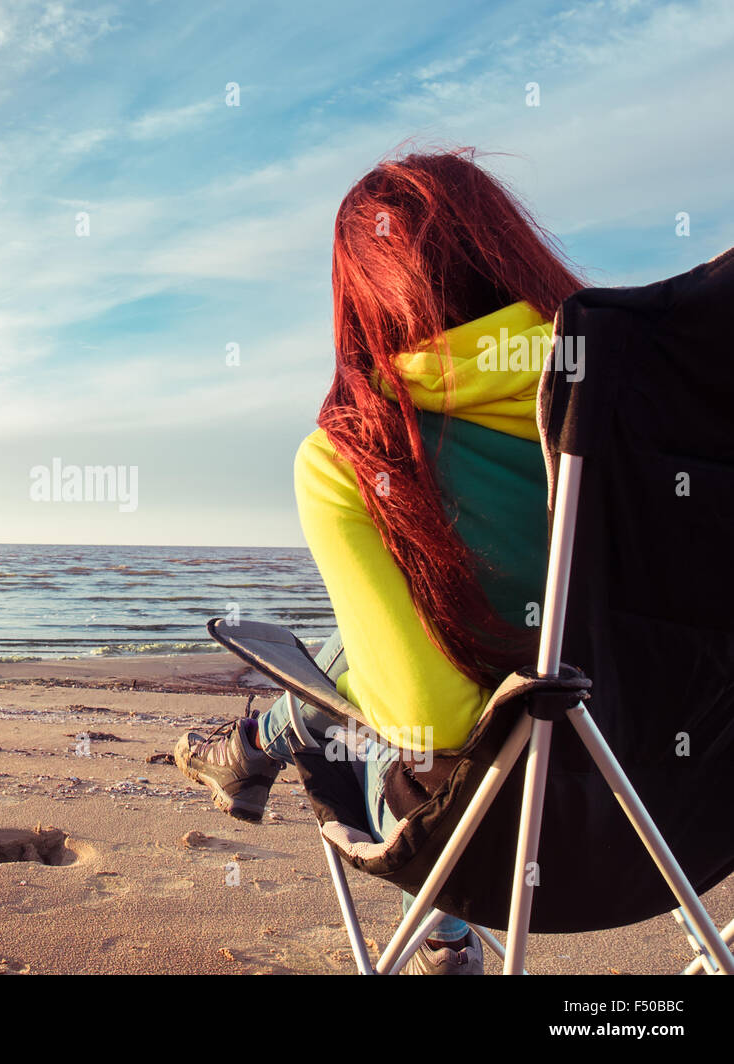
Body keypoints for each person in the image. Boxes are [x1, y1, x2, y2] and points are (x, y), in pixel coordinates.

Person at [175, 147, 584, 974]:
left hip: (511, 840)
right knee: (415, 628)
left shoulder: (353, 459)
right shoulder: (659, 404)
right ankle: (255, 747)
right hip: (687, 817)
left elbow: (426, 727)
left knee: (383, 669)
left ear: (367, 298)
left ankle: (265, 742)